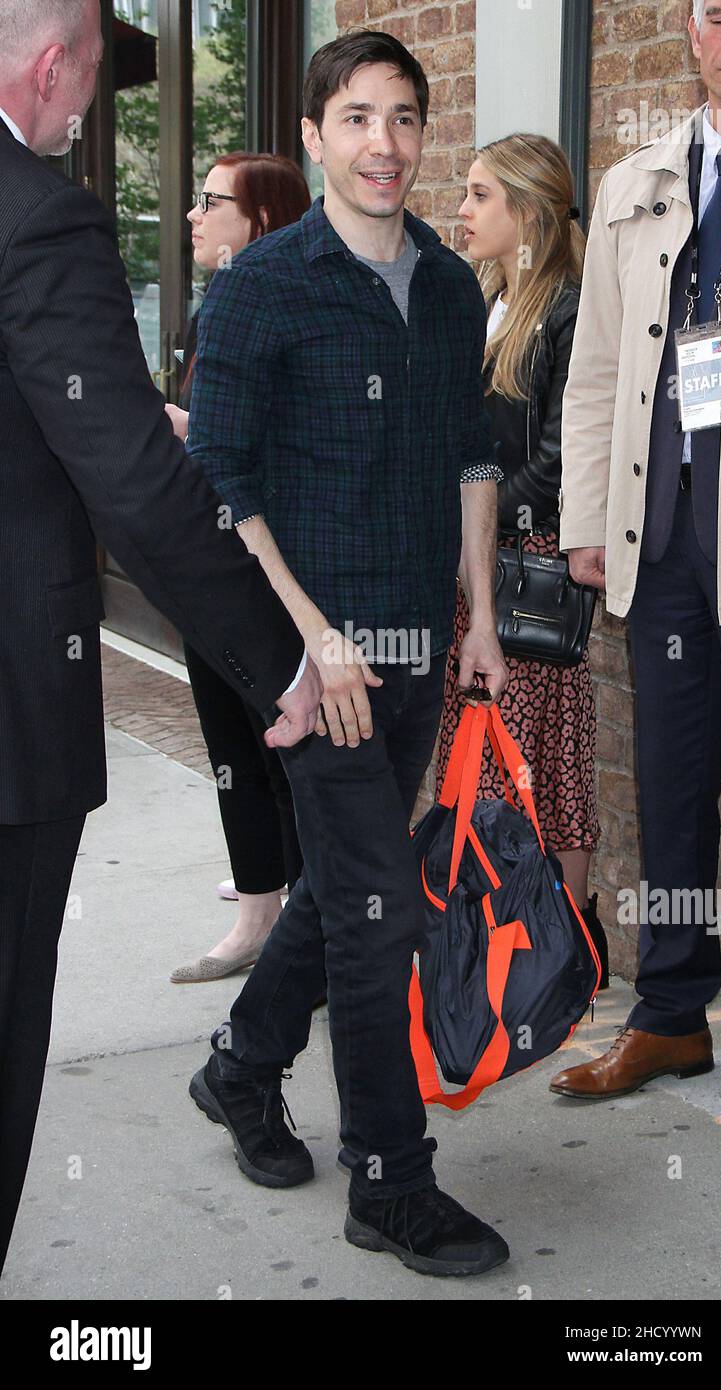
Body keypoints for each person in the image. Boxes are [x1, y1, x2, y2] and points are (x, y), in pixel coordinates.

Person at [0, 0, 321, 1277]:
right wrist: (282, 661)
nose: (87, 119)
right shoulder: (40, 216)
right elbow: (138, 481)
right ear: (51, 65)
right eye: (86, 84)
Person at [187, 29, 513, 1277]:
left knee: (344, 885)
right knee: (376, 913)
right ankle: (388, 1179)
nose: (386, 143)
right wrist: (310, 636)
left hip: (417, 652)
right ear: (316, 135)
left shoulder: (442, 282)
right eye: (359, 118)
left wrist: (478, 615)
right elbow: (222, 477)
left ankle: (240, 1066)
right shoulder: (263, 284)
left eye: (407, 119)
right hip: (313, 663)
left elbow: (471, 455)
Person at [551, 0, 721, 1149]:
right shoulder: (636, 181)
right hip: (662, 548)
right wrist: (589, 518)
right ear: (687, 29)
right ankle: (672, 1011)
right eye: (718, 11)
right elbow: (590, 377)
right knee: (669, 803)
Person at [436, 133, 607, 981]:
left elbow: (562, 454)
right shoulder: (488, 299)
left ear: (527, 211)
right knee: (488, 755)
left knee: (545, 756)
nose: (462, 212)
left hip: (528, 565)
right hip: (482, 560)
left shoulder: (568, 308)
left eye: (478, 195)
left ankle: (569, 944)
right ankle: (500, 942)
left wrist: (484, 513)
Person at [169, 154, 312, 983]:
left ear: (260, 220)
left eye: (211, 201)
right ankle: (263, 905)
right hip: (210, 555)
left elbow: (287, 437)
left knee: (277, 747)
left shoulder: (281, 304)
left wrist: (194, 429)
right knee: (233, 737)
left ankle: (294, 914)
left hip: (270, 565)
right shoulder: (214, 300)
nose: (193, 214)